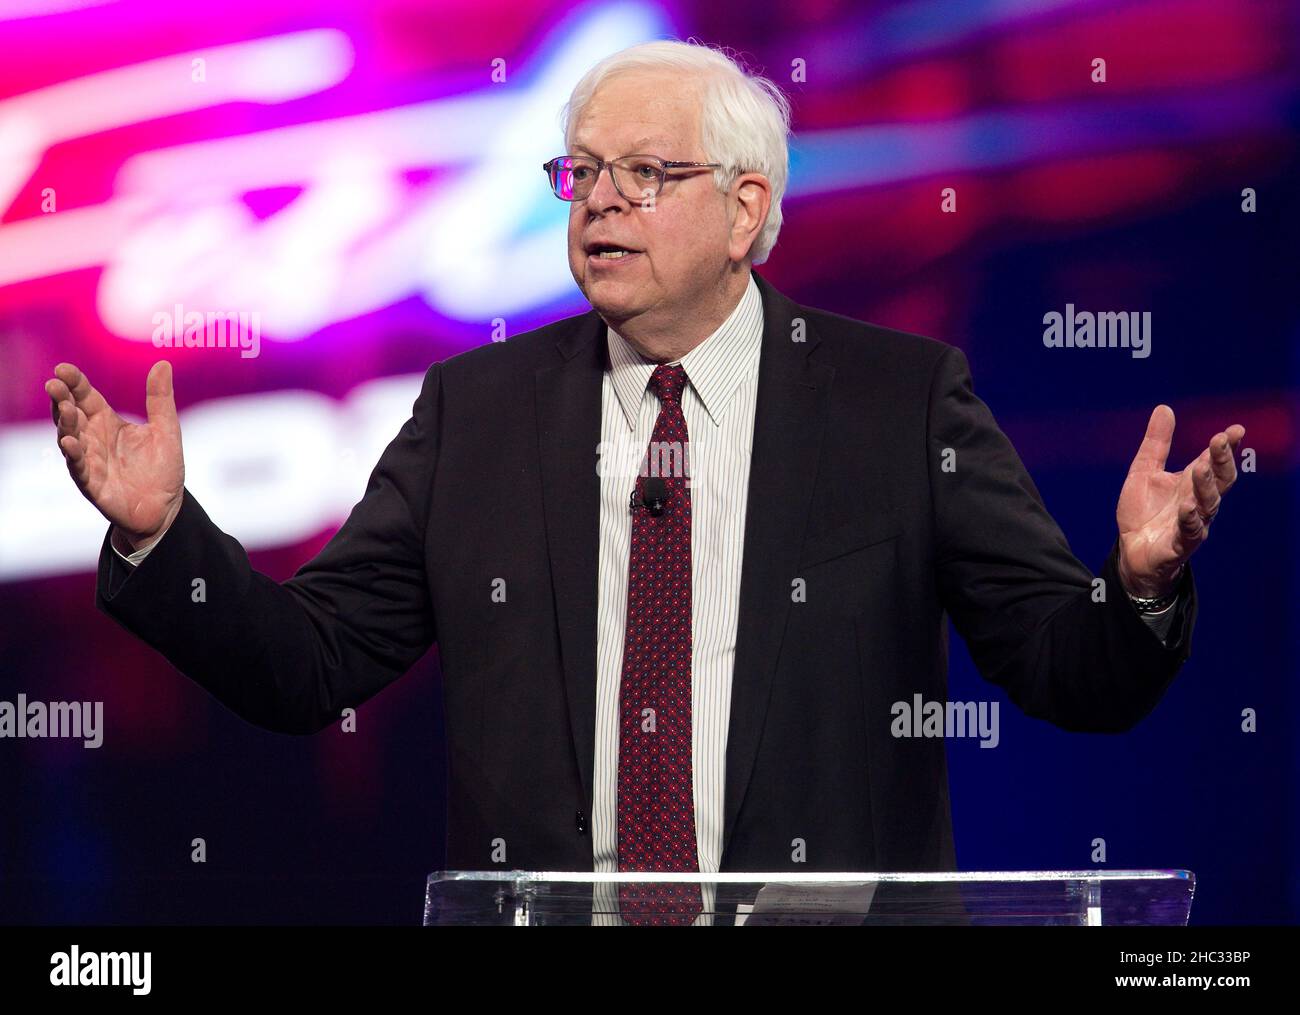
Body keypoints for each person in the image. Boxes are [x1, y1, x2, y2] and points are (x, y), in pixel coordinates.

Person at [44, 40, 1243, 925]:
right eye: (582, 175)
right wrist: (166, 540)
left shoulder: (898, 402)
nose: (601, 200)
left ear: (745, 211)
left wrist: (1133, 587)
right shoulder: (480, 409)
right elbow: (311, 665)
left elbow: (1062, 670)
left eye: (646, 174)